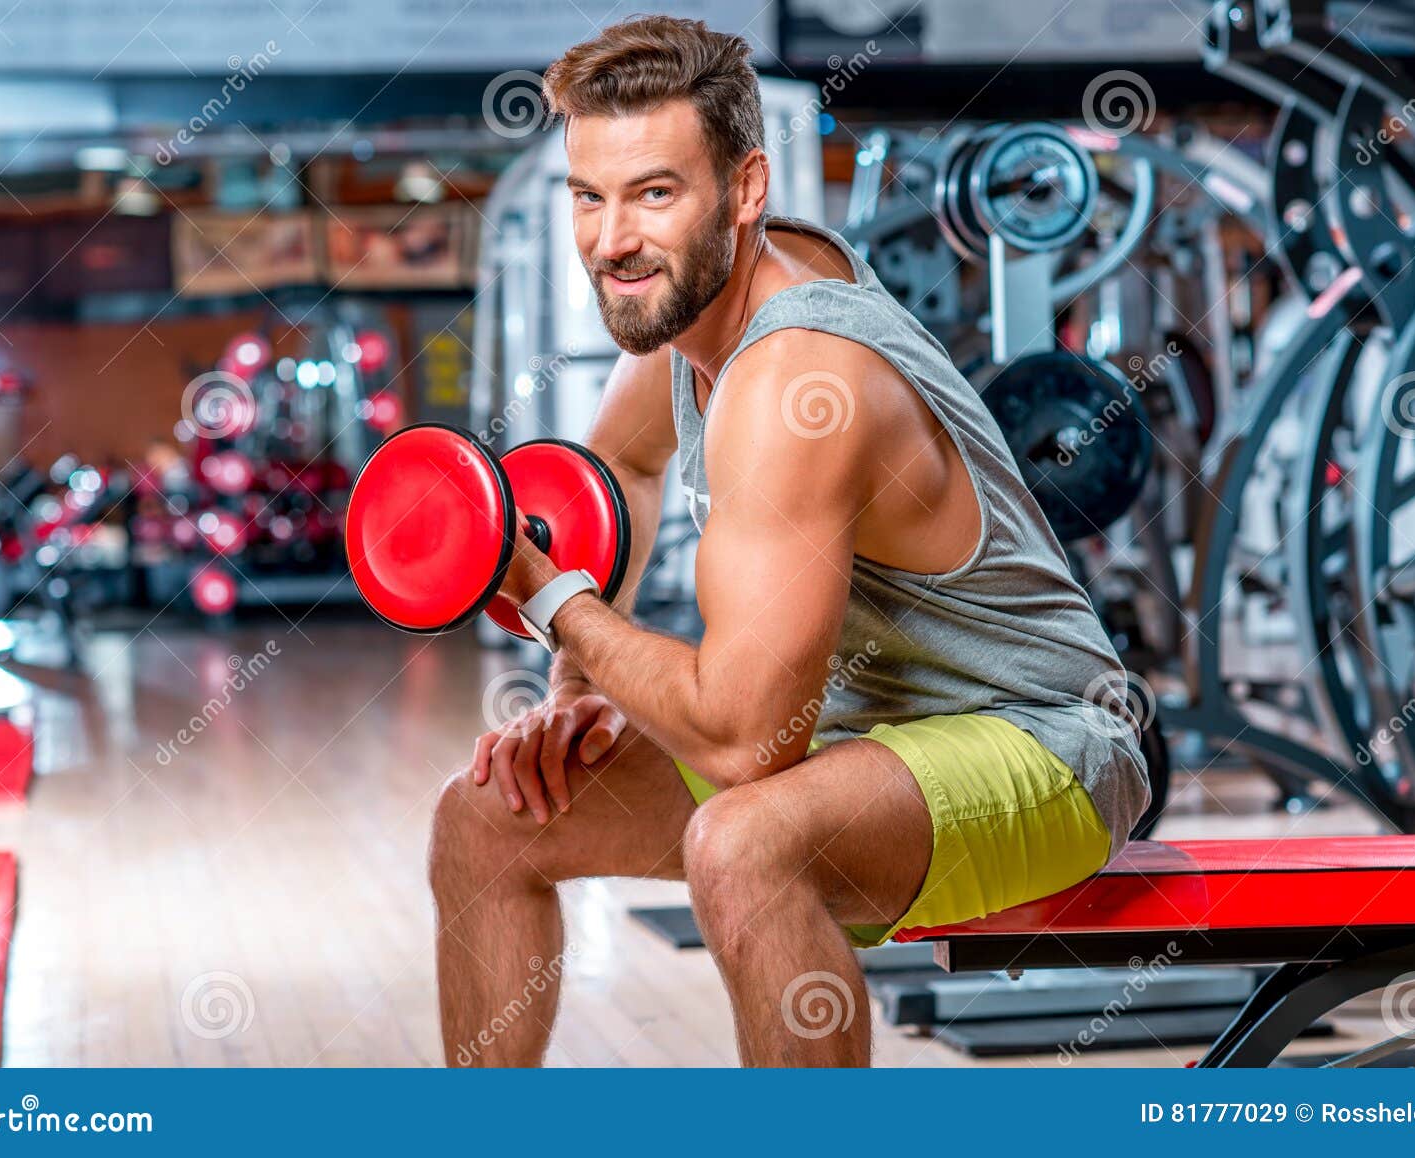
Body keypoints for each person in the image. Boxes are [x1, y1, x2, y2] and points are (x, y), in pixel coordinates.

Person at [430, 14, 1149, 1067]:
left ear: (746, 188)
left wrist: (552, 598)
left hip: (1042, 739)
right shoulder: (698, 304)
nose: (612, 239)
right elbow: (614, 471)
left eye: (655, 193)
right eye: (592, 196)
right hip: (864, 734)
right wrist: (574, 693)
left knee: (744, 841)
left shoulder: (795, 381)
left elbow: (743, 745)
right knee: (488, 816)